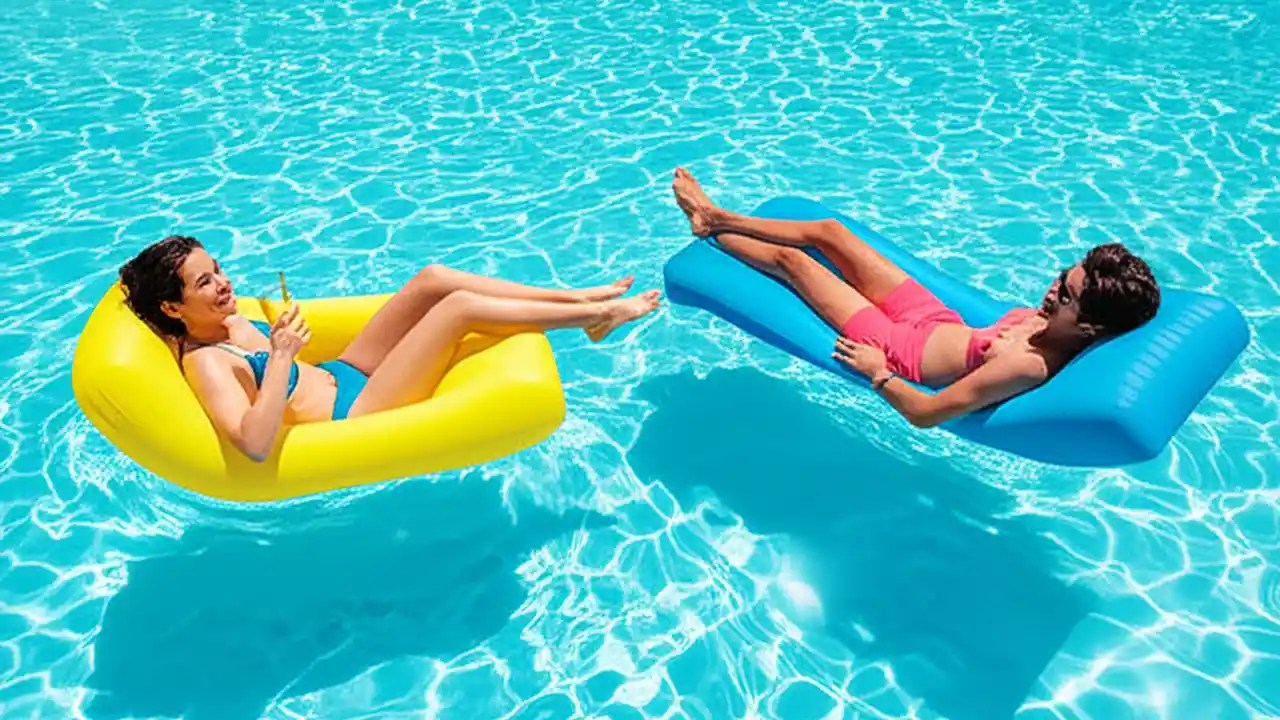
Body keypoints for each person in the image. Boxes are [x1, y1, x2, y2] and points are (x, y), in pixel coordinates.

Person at [670, 168, 1161, 428]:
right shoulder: (1062, 322)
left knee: (794, 263)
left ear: (1090, 327)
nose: (1052, 291)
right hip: (934, 319)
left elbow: (926, 414)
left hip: (899, 347)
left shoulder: (1029, 366)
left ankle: (709, 225)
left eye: (1066, 295)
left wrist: (878, 373)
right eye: (1062, 277)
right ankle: (718, 217)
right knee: (829, 232)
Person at [118, 236, 661, 462]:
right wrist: (280, 355)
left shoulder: (226, 320)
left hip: (342, 373)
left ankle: (576, 296)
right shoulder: (207, 363)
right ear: (172, 307)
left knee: (433, 280)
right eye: (205, 282)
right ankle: (596, 318)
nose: (224, 284)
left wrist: (283, 344)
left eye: (217, 270)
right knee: (457, 310)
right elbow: (253, 444)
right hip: (356, 410)